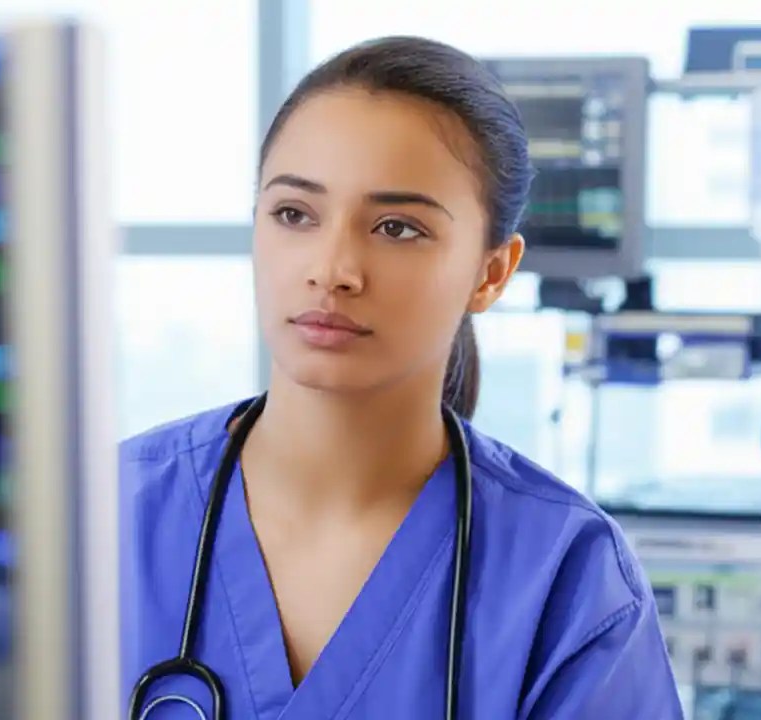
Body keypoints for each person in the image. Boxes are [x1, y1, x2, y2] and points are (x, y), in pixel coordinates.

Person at [120, 35, 682, 719]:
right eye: (294, 214)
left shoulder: (566, 582)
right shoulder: (105, 519)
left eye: (396, 227)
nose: (332, 269)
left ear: (491, 271)